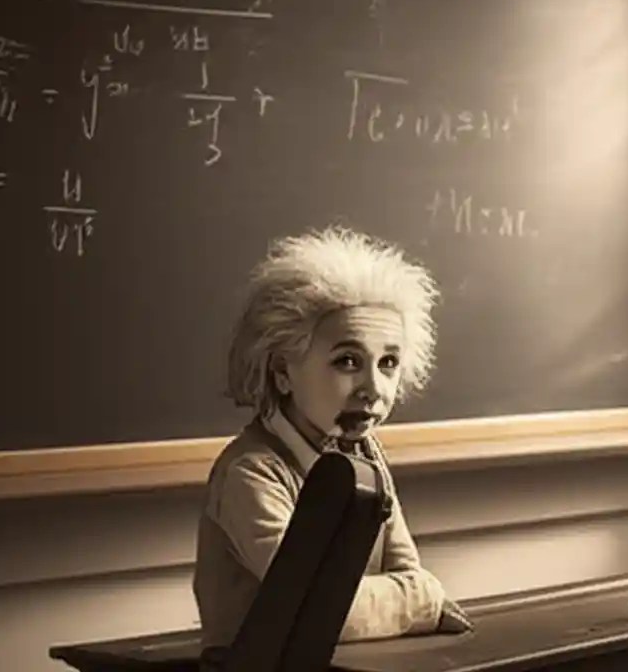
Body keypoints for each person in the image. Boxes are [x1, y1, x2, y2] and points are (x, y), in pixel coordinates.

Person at [193, 224, 471, 664]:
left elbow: (404, 573)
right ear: (283, 371)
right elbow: (320, 614)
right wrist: (425, 599)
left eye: (389, 363)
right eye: (347, 361)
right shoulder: (251, 474)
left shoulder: (365, 454)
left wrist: (410, 592)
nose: (373, 388)